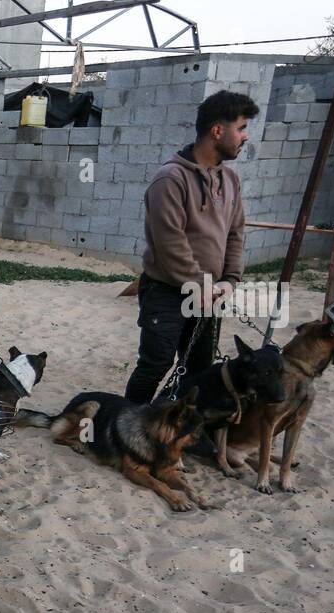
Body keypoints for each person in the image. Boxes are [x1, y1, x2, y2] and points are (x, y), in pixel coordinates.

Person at [124, 90, 258, 404]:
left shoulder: (230, 181)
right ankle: (125, 428)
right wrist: (203, 284)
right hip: (168, 293)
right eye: (240, 128)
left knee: (197, 370)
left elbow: (236, 233)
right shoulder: (170, 180)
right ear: (217, 131)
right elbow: (171, 244)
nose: (245, 136)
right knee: (155, 365)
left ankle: (176, 432)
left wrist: (229, 280)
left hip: (211, 295)